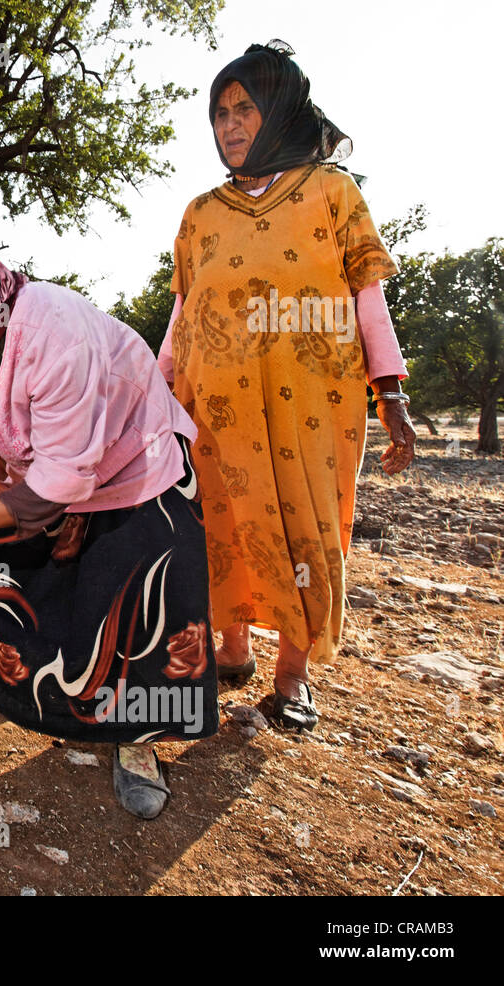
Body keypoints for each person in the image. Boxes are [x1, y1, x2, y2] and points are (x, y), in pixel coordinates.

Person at [0, 236, 217, 820]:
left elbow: (61, 480)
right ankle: (15, 691)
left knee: (127, 614)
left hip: (130, 471)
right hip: (44, 472)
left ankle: (139, 744)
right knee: (17, 586)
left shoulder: (57, 338)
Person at [158, 41, 415, 731]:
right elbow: (183, 314)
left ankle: (292, 675)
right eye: (220, 113)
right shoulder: (199, 214)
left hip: (314, 410)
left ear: (282, 113)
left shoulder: (333, 192)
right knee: (221, 528)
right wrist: (156, 396)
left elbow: (368, 294)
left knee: (309, 532)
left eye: (246, 108)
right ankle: (231, 645)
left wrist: (391, 392)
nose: (231, 125)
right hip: (215, 414)